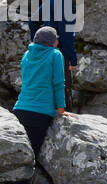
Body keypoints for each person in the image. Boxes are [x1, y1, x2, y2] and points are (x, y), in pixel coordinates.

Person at [29, 0, 85, 109]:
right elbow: (66, 37)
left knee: (48, 88)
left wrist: (37, 44)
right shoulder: (66, 2)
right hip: (60, 54)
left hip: (46, 52)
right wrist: (72, 60)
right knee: (63, 88)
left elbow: (33, 21)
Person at [12, 26, 71, 158]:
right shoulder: (55, 55)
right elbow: (58, 84)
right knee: (30, 157)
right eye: (56, 39)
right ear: (51, 41)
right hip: (40, 114)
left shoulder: (27, 54)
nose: (57, 41)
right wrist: (61, 110)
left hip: (19, 110)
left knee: (16, 156)